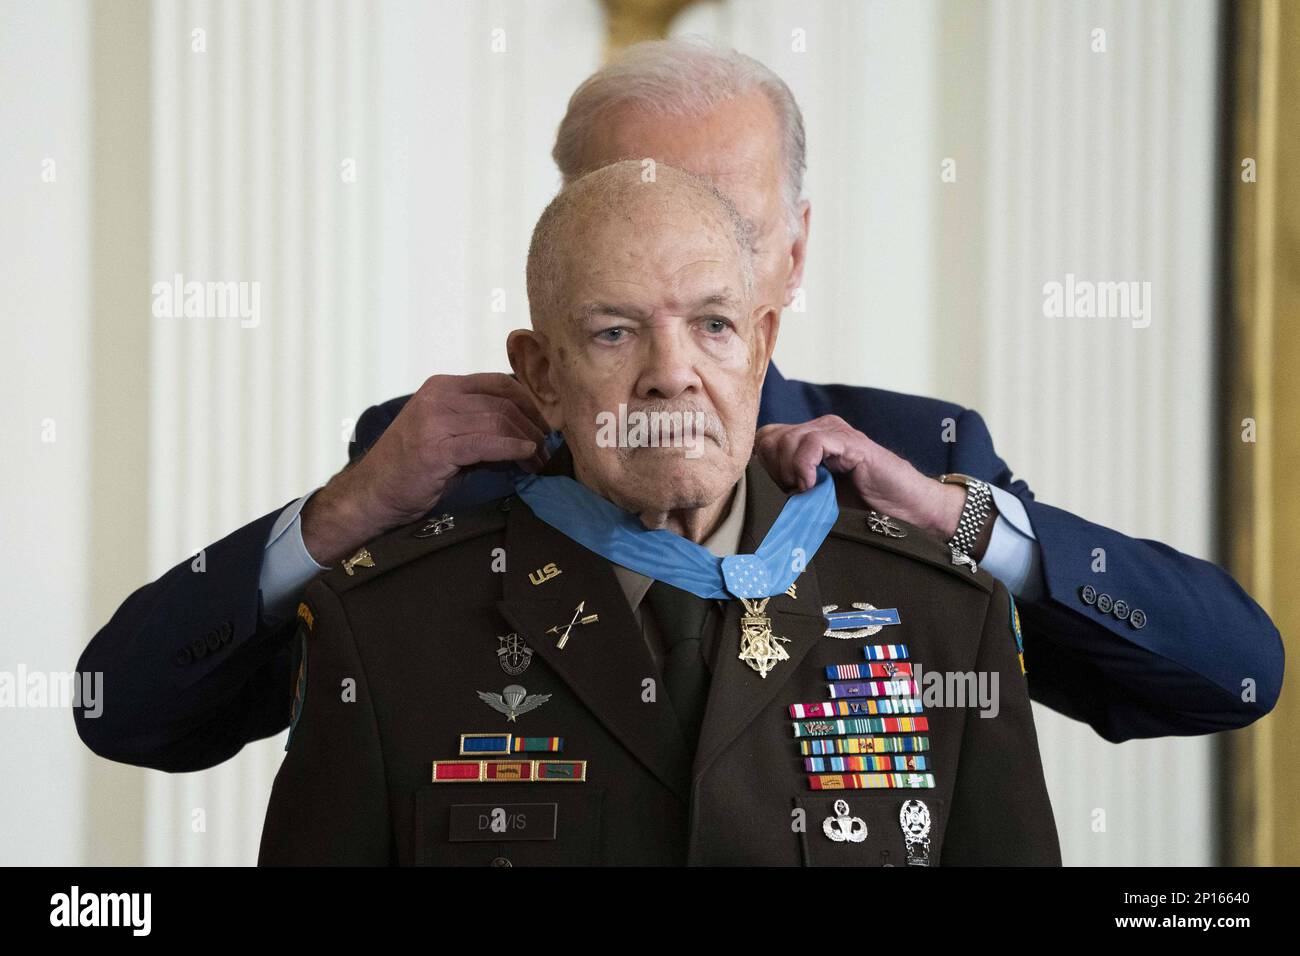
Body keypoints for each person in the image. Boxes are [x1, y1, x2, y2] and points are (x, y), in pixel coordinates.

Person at [75, 39, 1281, 774]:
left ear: (791, 260)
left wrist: (970, 525)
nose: (672, 261)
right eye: (626, 212)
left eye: (724, 228)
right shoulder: (431, 463)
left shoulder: (916, 456)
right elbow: (126, 710)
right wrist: (337, 515)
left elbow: (1231, 671)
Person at [258, 161, 1060, 866]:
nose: (670, 374)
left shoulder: (947, 617)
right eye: (614, 331)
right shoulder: (384, 631)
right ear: (541, 373)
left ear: (759, 345)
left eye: (713, 325)